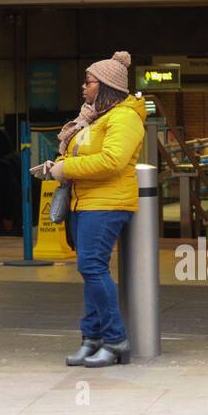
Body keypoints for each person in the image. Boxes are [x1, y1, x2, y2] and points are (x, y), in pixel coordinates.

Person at [32, 51, 144, 368]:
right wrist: (61, 165)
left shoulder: (124, 118)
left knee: (92, 267)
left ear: (106, 85)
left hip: (107, 202)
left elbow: (113, 161)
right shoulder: (95, 118)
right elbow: (87, 156)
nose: (84, 87)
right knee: (89, 269)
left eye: (89, 82)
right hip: (85, 201)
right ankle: (91, 339)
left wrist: (67, 169)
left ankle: (115, 340)